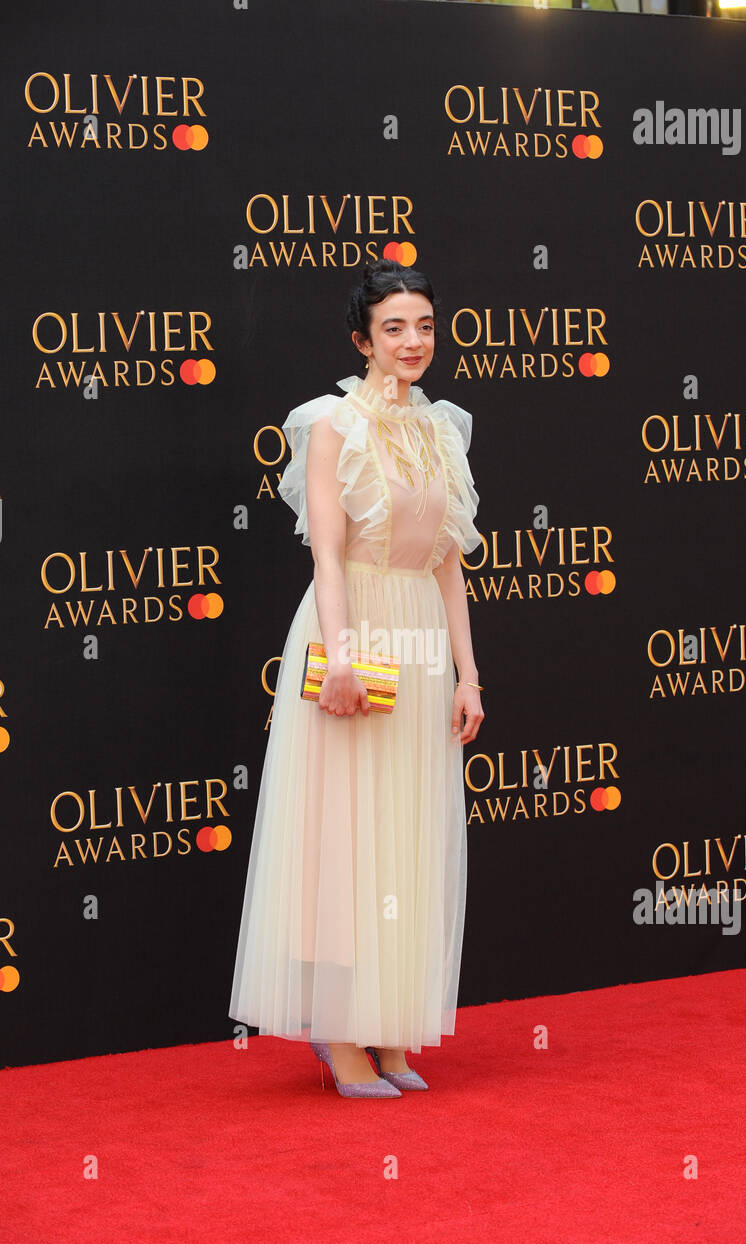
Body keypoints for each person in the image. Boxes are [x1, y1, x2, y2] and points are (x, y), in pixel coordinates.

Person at [229, 258, 484, 1097]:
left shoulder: (445, 427)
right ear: (362, 340)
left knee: (404, 835)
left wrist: (467, 674)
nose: (412, 342)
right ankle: (337, 1035)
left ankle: (388, 1028)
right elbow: (327, 556)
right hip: (354, 632)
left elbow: (448, 563)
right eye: (393, 328)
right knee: (345, 835)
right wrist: (338, 657)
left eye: (423, 326)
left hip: (419, 635)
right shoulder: (331, 423)